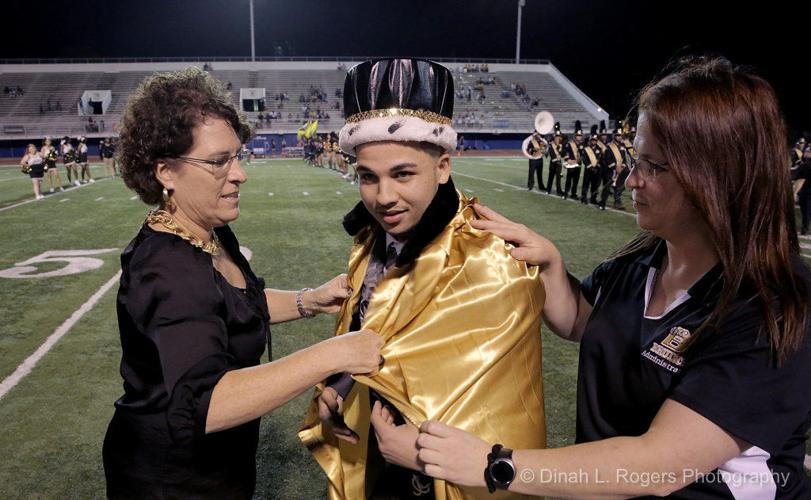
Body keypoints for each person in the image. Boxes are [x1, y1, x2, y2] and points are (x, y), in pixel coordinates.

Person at [415, 57, 811, 498]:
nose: (630, 179)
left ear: (716, 176)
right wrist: (550, 266)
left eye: (652, 166)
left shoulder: (770, 307)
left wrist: (497, 465)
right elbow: (584, 322)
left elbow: (659, 467)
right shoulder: (643, 259)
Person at [103, 67, 384, 499]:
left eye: (237, 156)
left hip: (219, 461)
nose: (240, 174)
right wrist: (334, 353)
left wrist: (310, 300)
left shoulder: (206, 230)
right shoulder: (168, 268)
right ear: (166, 172)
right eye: (218, 161)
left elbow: (234, 304)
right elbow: (208, 403)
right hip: (172, 477)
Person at [298, 58, 546, 500]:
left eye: (403, 174)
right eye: (368, 178)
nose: (384, 197)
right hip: (379, 444)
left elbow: (500, 405)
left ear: (444, 166)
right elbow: (369, 328)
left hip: (436, 468)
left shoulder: (490, 258)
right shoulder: (372, 238)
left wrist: (424, 454)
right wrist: (337, 385)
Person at [796, 144, 811, 235]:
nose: (807, 152)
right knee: (805, 210)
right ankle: (804, 227)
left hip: (807, 190)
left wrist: (795, 191)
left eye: (809, 152)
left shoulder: (806, 165)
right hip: (804, 190)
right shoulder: (804, 163)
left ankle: (804, 228)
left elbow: (801, 179)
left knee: (806, 210)